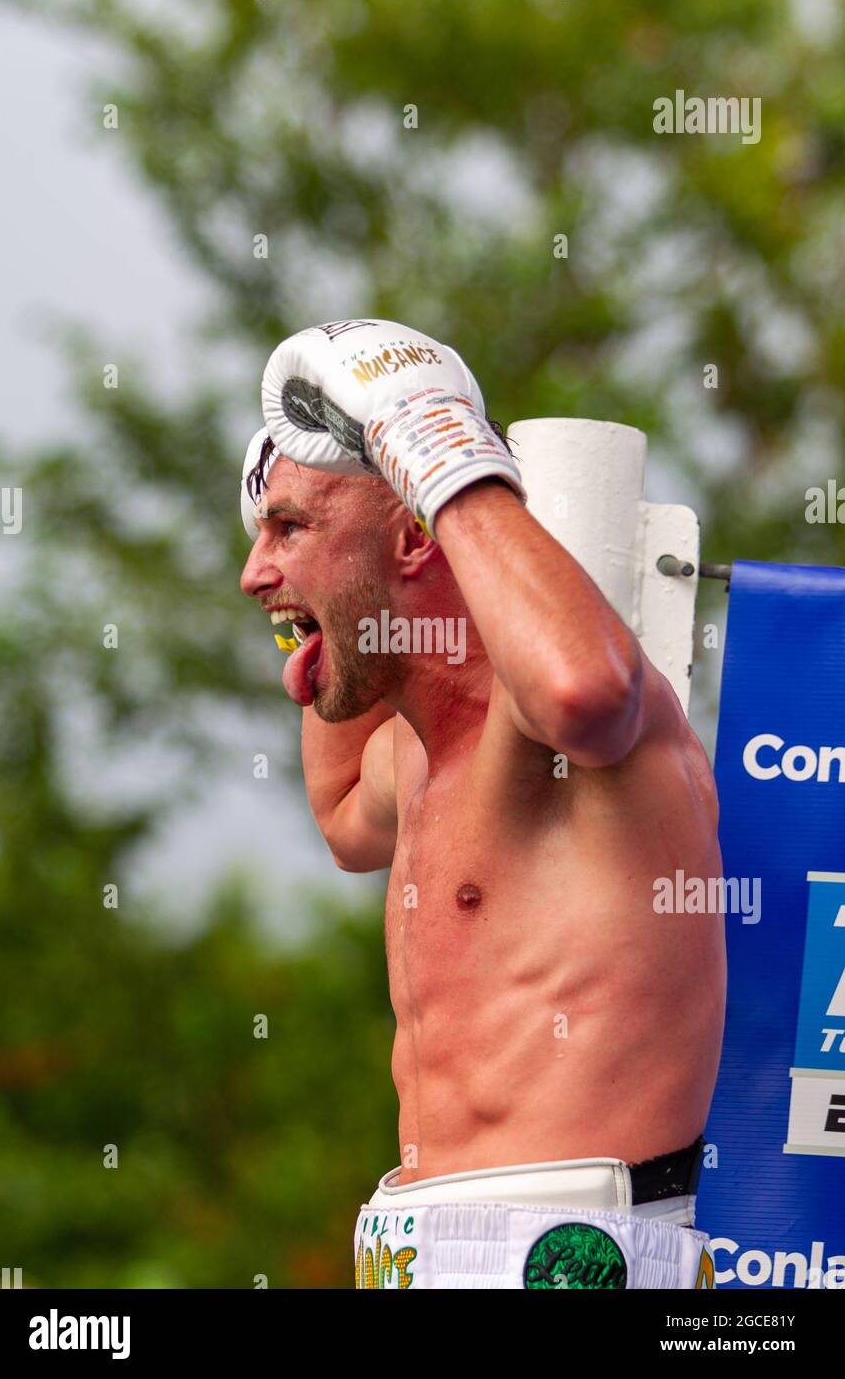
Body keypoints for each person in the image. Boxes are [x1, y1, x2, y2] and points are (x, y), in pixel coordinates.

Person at [239, 318, 726, 1290]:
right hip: (417, 1253)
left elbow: (581, 692)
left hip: (573, 1259)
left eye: (287, 528)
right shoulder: (409, 755)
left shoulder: (558, 719)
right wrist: (312, 592)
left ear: (418, 529)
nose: (250, 569)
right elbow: (338, 818)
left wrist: (434, 441)